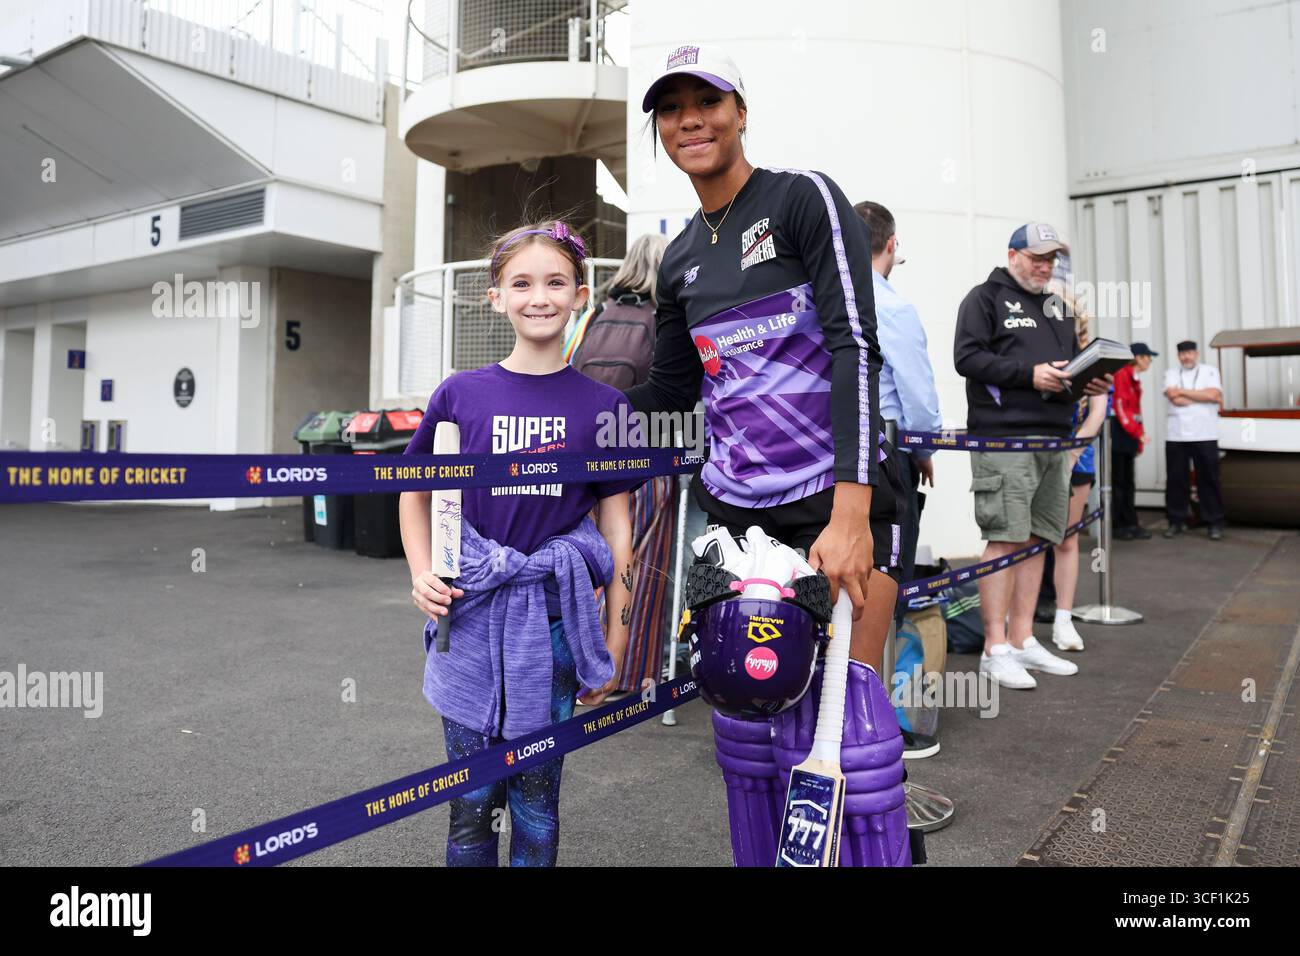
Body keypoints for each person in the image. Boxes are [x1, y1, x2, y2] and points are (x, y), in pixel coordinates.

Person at [629, 43, 915, 867]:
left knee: (847, 738)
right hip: (740, 521)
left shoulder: (800, 198)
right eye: (672, 107)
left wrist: (852, 513)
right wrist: (563, 408)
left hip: (837, 501)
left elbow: (855, 346)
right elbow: (673, 394)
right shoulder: (680, 256)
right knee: (751, 735)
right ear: (660, 129)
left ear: (740, 112)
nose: (691, 119)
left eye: (707, 101)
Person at [398, 220, 639, 867]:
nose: (540, 296)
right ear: (496, 296)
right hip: (468, 618)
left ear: (581, 294)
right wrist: (421, 571)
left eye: (556, 282)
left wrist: (616, 638)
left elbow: (618, 528)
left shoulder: (606, 407)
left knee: (537, 801)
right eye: (522, 282)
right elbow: (413, 493)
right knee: (471, 803)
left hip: (557, 628)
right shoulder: (458, 395)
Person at [953, 222, 1112, 690]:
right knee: (1004, 538)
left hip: (1054, 441)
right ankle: (994, 648)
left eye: (1051, 259)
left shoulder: (1058, 310)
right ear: (1013, 255)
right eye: (1037, 257)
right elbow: (967, 358)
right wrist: (1030, 375)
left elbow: (1069, 372)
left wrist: (1090, 382)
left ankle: (1022, 639)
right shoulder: (983, 299)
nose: (1045, 267)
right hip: (1004, 441)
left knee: (1039, 538)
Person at [565, 233, 678, 694]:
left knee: (594, 560)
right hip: (645, 461)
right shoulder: (663, 321)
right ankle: (633, 672)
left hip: (588, 455)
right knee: (642, 564)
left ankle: (580, 663)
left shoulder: (595, 316)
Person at [856, 199, 943, 756]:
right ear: (891, 248)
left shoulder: (814, 296)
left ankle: (828, 714)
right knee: (888, 581)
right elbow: (916, 393)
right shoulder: (892, 305)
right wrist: (925, 445)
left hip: (823, 458)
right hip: (886, 456)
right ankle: (885, 722)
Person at [1047, 293, 1107, 652]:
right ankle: (1011, 624)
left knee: (1067, 539)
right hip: (1037, 453)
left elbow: (1097, 413)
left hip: (1076, 459)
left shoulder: (1093, 359)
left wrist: (1072, 454)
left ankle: (1063, 619)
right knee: (1024, 540)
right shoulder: (1039, 353)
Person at [1162, 339, 1225, 540]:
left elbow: (1214, 394)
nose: (1186, 356)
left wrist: (1183, 392)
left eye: (1189, 353)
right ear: (1178, 355)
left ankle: (1214, 522)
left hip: (1205, 433)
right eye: (1182, 353)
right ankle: (1176, 521)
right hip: (1176, 434)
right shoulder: (1170, 373)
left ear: (1196, 354)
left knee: (1208, 478)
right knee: (1176, 479)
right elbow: (1173, 397)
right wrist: (1201, 396)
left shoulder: (1210, 371)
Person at [1111, 343, 1156, 540]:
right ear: (1137, 357)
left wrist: (1138, 436)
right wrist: (1137, 433)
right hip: (1120, 432)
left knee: (1128, 481)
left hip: (1128, 433)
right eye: (1148, 357)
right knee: (1119, 481)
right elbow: (1121, 406)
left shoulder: (1134, 379)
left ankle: (1131, 522)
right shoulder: (1122, 374)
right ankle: (1120, 525)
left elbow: (1135, 410)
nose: (1150, 361)